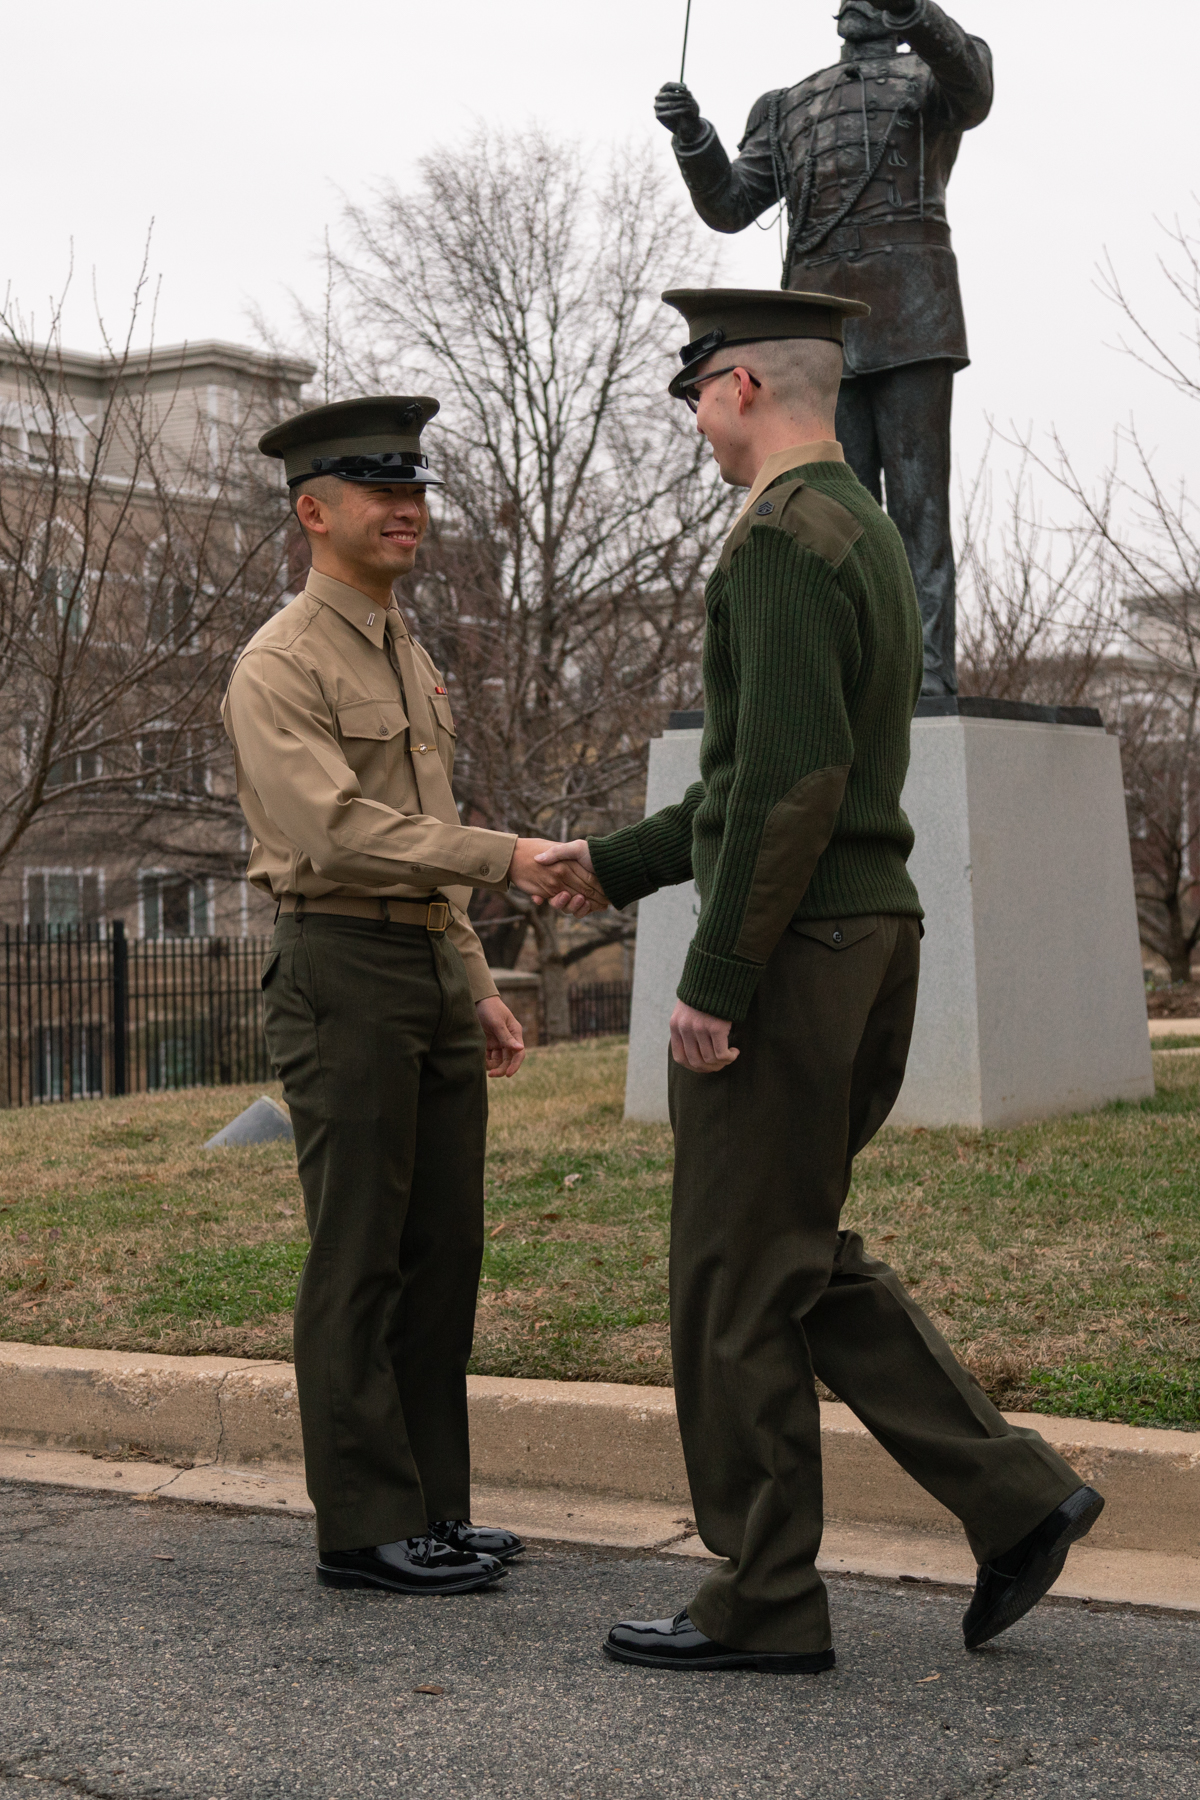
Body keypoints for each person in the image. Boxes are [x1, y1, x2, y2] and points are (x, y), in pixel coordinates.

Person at [536, 291, 1103, 1671]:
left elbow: (790, 790)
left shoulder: (782, 541)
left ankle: (766, 1602)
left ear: (738, 384)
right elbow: (756, 785)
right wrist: (603, 863)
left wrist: (716, 981)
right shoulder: (861, 530)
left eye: (692, 401)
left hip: (796, 962)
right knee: (789, 1260)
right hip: (864, 938)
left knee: (730, 1283)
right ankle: (1018, 1501)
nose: (692, 428)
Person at [221, 396, 603, 1597]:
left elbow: (418, 836)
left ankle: (435, 1508)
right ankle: (363, 1524)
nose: (408, 510)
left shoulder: (401, 644)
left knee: (443, 1250)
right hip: (338, 968)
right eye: (381, 492)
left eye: (416, 490)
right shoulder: (280, 662)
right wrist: (506, 857)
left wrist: (474, 977)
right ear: (312, 510)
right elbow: (336, 833)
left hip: (424, 972)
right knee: (360, 1253)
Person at [653, 0, 994, 696]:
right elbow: (731, 205)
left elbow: (975, 89)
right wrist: (694, 136)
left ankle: (926, 675)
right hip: (817, 330)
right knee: (834, 506)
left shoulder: (932, 76)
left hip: (911, 314)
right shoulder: (786, 106)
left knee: (919, 508)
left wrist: (917, 13)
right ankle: (849, 674)